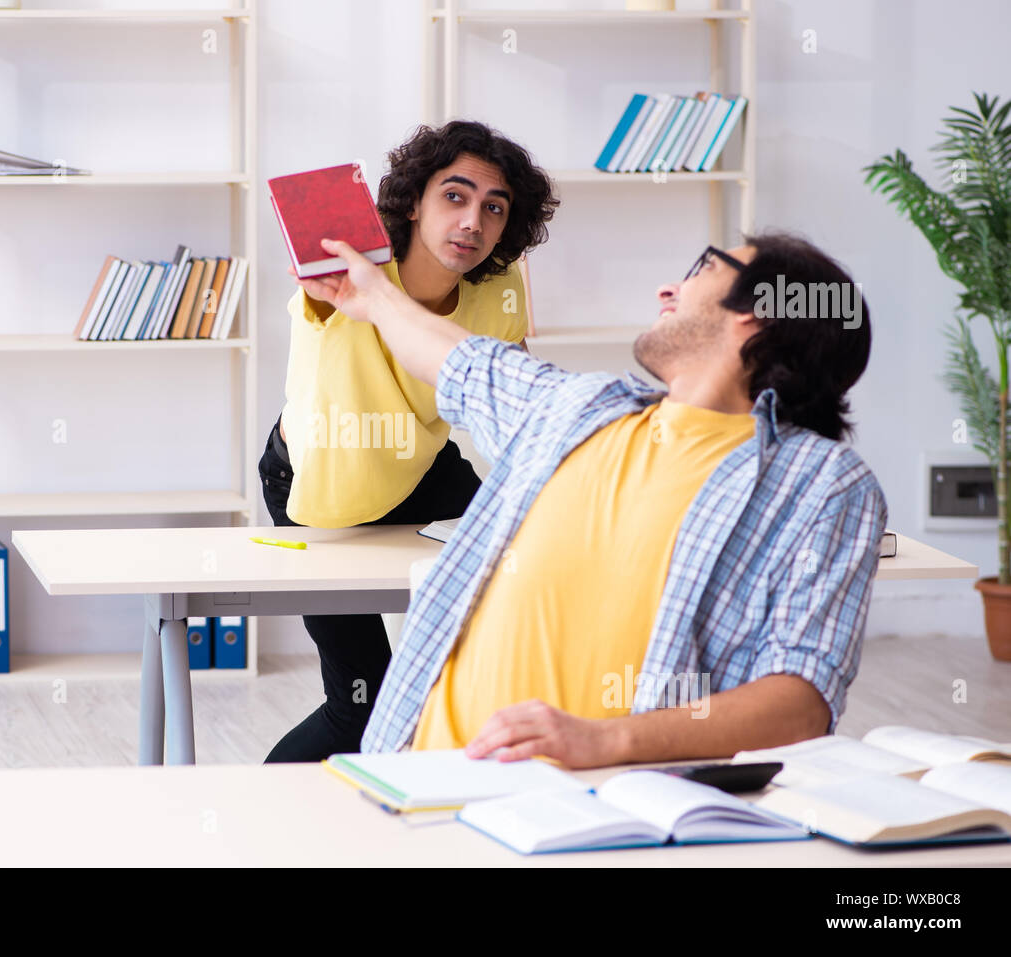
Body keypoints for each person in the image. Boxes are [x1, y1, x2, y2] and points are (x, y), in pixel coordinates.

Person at [293, 231, 887, 769]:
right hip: (415, 780)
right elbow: (460, 359)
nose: (667, 288)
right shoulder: (580, 405)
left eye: (703, 267)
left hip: (595, 819)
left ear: (758, 317)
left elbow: (801, 700)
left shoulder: (822, 482)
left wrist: (604, 740)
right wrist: (370, 294)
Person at [260, 120, 559, 762]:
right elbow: (321, 298)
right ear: (415, 202)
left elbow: (514, 408)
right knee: (361, 709)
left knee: (520, 616)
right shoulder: (348, 277)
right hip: (319, 484)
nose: (473, 221)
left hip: (423, 469)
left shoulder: (500, 288)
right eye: (455, 196)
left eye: (494, 208)